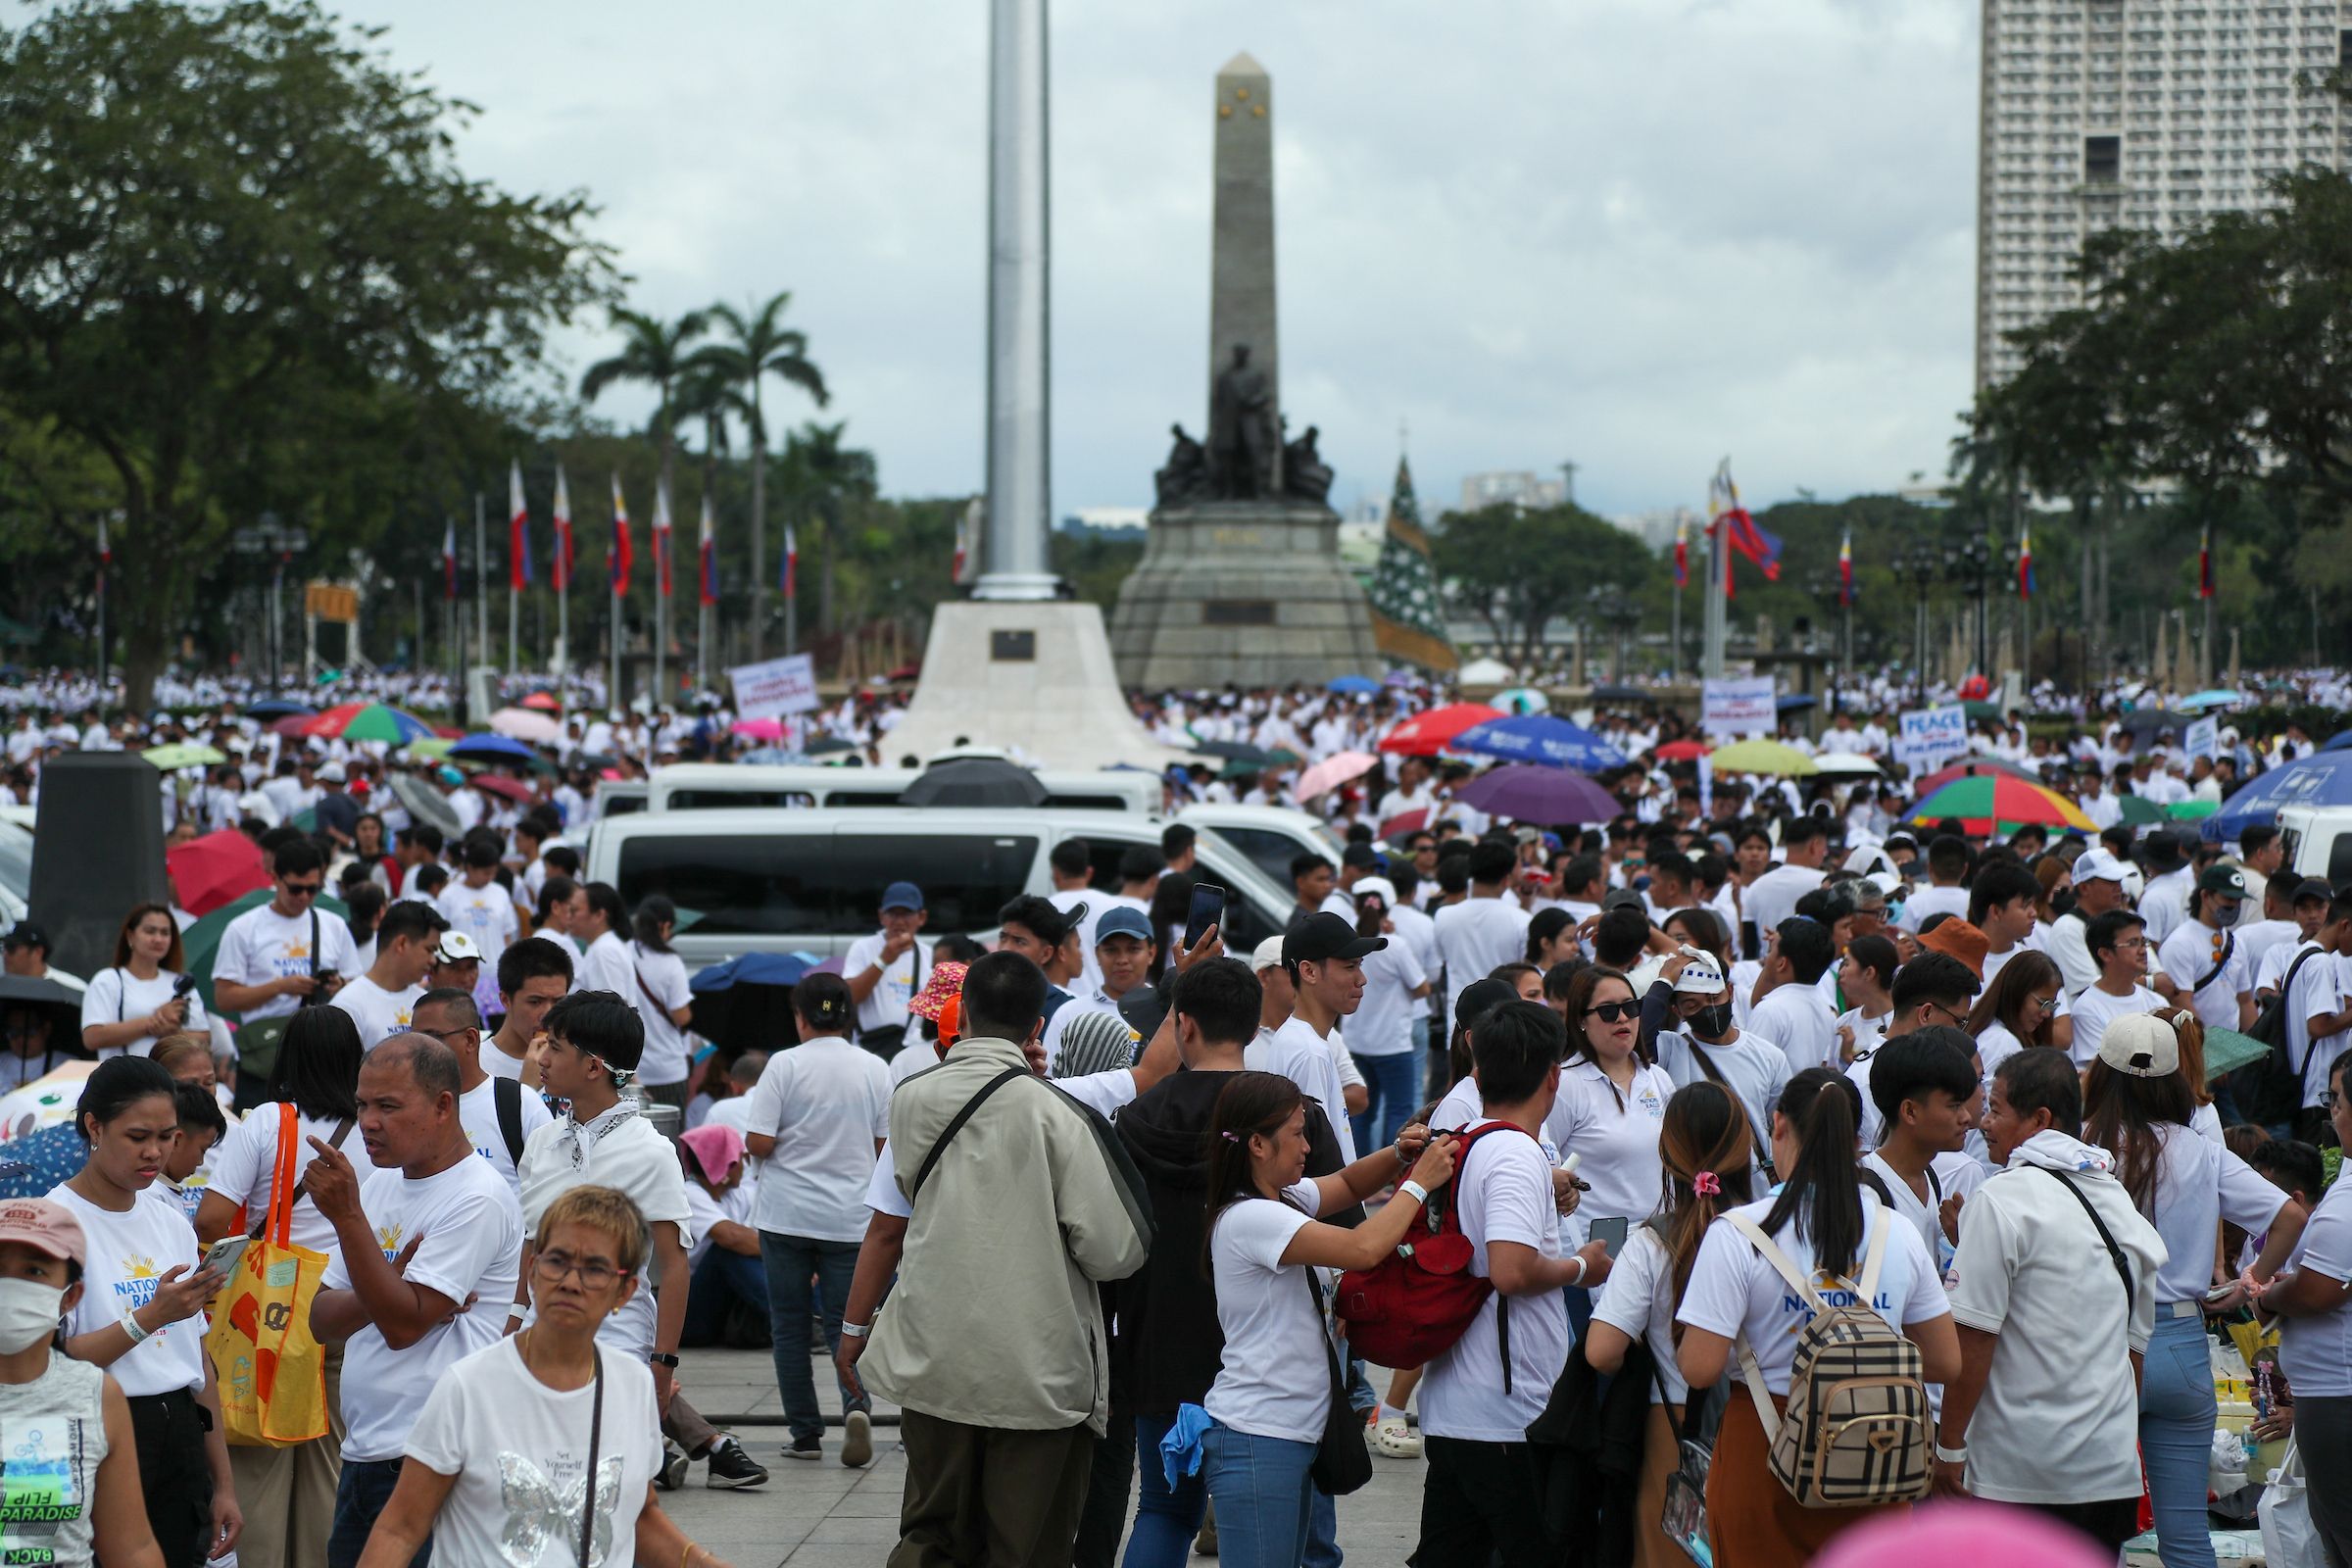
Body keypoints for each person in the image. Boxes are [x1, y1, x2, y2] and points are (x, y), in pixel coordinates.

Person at [854, 952, 1155, 1567]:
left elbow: (900, 1209)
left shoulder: (910, 1099)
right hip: (1033, 1372)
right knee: (1025, 1545)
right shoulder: (1059, 1114)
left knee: (930, 1533)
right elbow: (1114, 1251)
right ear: (1037, 1028)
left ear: (961, 1015)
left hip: (933, 1357)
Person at [1111, 957, 1359, 1568]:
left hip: (1159, 1333)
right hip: (1268, 1359)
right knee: (1285, 1524)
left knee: (1164, 1510)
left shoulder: (1135, 1119)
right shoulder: (1285, 1115)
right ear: (1255, 1029)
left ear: (1183, 1025)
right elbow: (1342, 1224)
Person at [354, 1185, 736, 1568]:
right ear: (532, 1271)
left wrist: (702, 1561)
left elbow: (638, 1513)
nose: (571, 1281)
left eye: (595, 1269)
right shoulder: (468, 1387)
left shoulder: (633, 1385)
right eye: (557, 1261)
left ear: (625, 1291)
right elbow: (400, 1530)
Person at [1675, 1067, 1959, 1565]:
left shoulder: (1737, 1232)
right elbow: (1944, 1361)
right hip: (1876, 1452)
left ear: (1779, 1125)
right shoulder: (1898, 1232)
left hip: (1763, 1450)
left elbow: (1699, 1368)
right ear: (1856, 1140)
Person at [1197, 1071, 1458, 1568]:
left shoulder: (1284, 1198)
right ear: (1257, 1144)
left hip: (1286, 1433)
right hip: (1260, 1436)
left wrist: (1399, 1156)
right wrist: (1420, 1182)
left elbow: (1344, 1183)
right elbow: (1363, 1247)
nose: (1307, 1144)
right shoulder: (1253, 1217)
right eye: (1297, 1133)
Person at [2082, 1012, 2307, 1568]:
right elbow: (2289, 1216)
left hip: (2104, 1344)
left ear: (2101, 1074)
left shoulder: (2085, 1150)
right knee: (2186, 1538)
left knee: (2093, 1535)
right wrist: (2248, 1284)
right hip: (2183, 1342)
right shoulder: (2203, 1151)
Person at [519, 994, 764, 1492]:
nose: (541, 1058)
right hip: (537, 1333)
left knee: (609, 1488)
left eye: (555, 1048)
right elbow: (530, 1248)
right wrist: (507, 1336)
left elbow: (675, 1267)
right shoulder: (543, 1142)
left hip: (616, 1334)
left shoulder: (650, 1150)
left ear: (593, 1066)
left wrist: (660, 1366)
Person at [1933, 1048, 2166, 1554]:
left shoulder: (2001, 1200)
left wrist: (1949, 1447)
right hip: (2107, 1473)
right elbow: (2134, 1357)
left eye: (1995, 1108)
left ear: (2039, 1120)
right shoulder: (2116, 1199)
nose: (1981, 1122)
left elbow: (1972, 1340)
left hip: (2020, 1473)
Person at [1413, 1001, 1596, 1566]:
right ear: (1552, 1077)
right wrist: (1583, 1266)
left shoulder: (1464, 1140)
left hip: (1457, 1405)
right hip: (1508, 1412)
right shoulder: (1515, 1154)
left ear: (1477, 1071)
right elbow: (1511, 1271)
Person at [195, 1006, 376, 1567]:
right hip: (348, 1302)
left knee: (260, 1459)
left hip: (267, 1311)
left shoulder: (269, 1121)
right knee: (332, 1466)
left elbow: (210, 1218)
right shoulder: (376, 1129)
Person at [48, 1055, 240, 1567]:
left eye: (168, 1136)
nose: (154, 1152)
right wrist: (149, 1317)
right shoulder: (55, 1225)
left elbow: (199, 1364)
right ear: (94, 1126)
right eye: (137, 1137)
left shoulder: (171, 1219)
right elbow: (51, 1362)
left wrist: (223, 1483)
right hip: (101, 1432)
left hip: (180, 1432)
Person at [1587, 1079, 1756, 1568]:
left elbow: (1601, 1351)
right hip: (1763, 1420)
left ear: (1667, 1155)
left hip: (1672, 1425)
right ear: (1744, 1148)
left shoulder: (1650, 1243)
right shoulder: (1773, 1233)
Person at [740, 973, 889, 1466]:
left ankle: (804, 1434)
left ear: (800, 1017)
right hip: (850, 1216)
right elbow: (882, 1147)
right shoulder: (874, 1067)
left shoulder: (784, 1064)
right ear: (848, 1016)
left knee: (788, 1326)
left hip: (786, 1213)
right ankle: (856, 1407)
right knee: (847, 1324)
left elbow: (758, 1142)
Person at [0, 1196, 179, 1565]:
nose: (11, 1286)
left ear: (71, 1297)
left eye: (34, 1271)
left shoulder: (96, 1395)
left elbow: (131, 1547)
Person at [2256, 1050, 2352, 1567]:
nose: (2330, 1112)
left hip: (2340, 1397)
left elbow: (2319, 1291)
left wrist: (2268, 1294)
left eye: (2335, 1100)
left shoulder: (2347, 1202)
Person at [1547, 965, 1673, 1329]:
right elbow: (1541, 1162)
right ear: (1580, 1021)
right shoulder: (1567, 1085)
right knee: (1603, 1375)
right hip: (1594, 1262)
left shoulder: (1658, 1079)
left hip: (1660, 1249)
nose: (1622, 1018)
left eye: (1631, 1008)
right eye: (1607, 1011)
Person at [213, 840, 358, 1096]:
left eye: (312, 889)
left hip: (321, 1054)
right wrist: (280, 987)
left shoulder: (334, 925)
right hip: (266, 1055)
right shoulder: (244, 927)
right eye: (295, 888)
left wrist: (339, 987)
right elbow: (224, 998)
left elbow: (357, 986)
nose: (303, 897)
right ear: (275, 878)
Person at [1246, 911, 1377, 1165]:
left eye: (1359, 965)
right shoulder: (1309, 1051)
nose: (1361, 979)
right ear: (1308, 971)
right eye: (1349, 966)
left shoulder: (1302, 1039)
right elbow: (1316, 1161)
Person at [1650, 955, 1789, 1187]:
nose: (1709, 1009)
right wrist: (1663, 983)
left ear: (1730, 991)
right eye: (1692, 1005)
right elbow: (1638, 1038)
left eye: (1715, 998)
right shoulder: (1668, 1049)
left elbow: (1784, 1127)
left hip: (1754, 1189)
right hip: (1689, 1187)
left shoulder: (1769, 1056)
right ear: (1677, 1010)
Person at [407, 987, 551, 1198]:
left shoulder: (520, 1103)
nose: (420, 1050)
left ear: (471, 1039)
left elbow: (551, 1190)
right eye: (415, 1040)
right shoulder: (407, 1109)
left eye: (433, 1038)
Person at [1860, 1029, 1984, 1269]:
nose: (1966, 1117)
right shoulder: (1867, 1195)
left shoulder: (1929, 1178)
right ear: (1910, 1112)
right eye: (1954, 1106)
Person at [1346, 877, 1430, 1157]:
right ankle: (1391, 1171)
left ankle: (1359, 1172)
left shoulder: (1348, 942)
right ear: (1388, 908)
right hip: (1392, 1043)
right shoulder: (1394, 944)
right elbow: (1422, 988)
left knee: (1360, 1112)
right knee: (1400, 1110)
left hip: (1356, 1042)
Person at [675, 1124, 763, 1352]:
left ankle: (806, 1314)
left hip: (724, 1304)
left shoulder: (738, 1195)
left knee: (756, 1249)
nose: (744, 1167)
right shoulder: (689, 1194)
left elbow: (766, 1236)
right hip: (689, 1310)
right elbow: (731, 1237)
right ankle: (801, 1318)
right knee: (726, 1251)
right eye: (740, 1160)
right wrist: (782, 1256)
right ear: (726, 1165)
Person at [79, 903, 207, 1059]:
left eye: (165, 933)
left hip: (171, 1079)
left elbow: (204, 1038)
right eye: (150, 931)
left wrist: (172, 1032)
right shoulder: (108, 980)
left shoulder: (180, 983)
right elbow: (92, 1037)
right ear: (130, 936)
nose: (158, 939)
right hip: (124, 1079)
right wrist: (151, 1022)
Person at [2277, 887, 2352, 1144]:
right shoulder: (2321, 963)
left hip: (2304, 1091)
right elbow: (2318, 1026)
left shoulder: (2304, 953)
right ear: (2345, 925)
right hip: (2317, 1095)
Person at [1432, 841, 1531, 1026]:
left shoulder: (1443, 916)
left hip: (1459, 1023)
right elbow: (1527, 970)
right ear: (1506, 879)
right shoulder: (1521, 920)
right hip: (1507, 1022)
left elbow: (1442, 960)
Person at [2154, 862, 2257, 1035]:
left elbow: (2245, 1000)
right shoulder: (2180, 943)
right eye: (2228, 899)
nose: (2234, 906)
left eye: (2238, 900)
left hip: (2231, 1046)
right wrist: (2207, 1045)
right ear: (2205, 896)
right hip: (2195, 1043)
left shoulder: (2235, 941)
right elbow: (2182, 1003)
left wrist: (2257, 1046)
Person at [843, 881, 933, 1058]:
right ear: (881, 916)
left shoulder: (928, 954)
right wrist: (883, 960)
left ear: (921, 917)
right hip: (867, 1048)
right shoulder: (863, 947)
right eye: (892, 913)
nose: (899, 922)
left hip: (911, 1051)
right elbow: (849, 997)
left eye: (906, 913)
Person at [329, 899, 437, 1045]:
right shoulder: (347, 1006)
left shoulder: (426, 1002)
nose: (433, 961)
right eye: (429, 950)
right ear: (402, 944)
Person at [2069, 909, 2166, 1067]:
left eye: (2143, 942)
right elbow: (2101, 1074)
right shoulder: (2087, 1009)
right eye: (2133, 943)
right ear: (2105, 954)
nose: (2143, 950)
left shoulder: (2157, 1002)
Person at [1745, 916, 1838, 1073]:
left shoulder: (1769, 1010)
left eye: (1770, 950)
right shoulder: (1826, 1011)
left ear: (1782, 963)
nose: (1767, 956)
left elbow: (1753, 1074)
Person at [484, 935, 573, 1086]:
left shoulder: (576, 1061)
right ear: (506, 1000)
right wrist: (527, 1089)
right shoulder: (476, 1065)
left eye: (559, 1002)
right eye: (535, 1002)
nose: (548, 1014)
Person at [2045, 847, 2130, 998]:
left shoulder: (2124, 922)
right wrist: (2149, 982)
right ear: (2084, 887)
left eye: (2119, 881)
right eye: (2111, 881)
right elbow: (2092, 989)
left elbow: (2157, 973)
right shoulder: (2067, 928)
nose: (2118, 888)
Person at [2, 921, 85, 993]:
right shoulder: (2, 987)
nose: (5, 954)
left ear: (37, 952)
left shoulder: (72, 988)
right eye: (4, 947)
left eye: (11, 948)